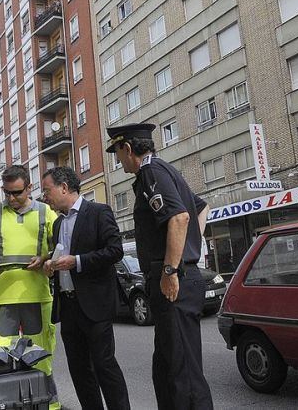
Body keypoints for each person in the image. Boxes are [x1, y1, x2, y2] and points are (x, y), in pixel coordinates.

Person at [106, 123, 214, 410]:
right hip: (174, 278)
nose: (118, 160)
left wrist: (171, 269)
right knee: (166, 369)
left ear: (127, 148)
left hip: (173, 281)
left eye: (117, 152)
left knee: (183, 375)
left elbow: (179, 218)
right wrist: (189, 244)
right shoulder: (164, 170)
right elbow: (201, 208)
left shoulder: (151, 171)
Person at [40, 167, 130, 410]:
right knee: (79, 370)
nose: (44, 196)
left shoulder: (99, 212)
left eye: (47, 191)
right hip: (69, 306)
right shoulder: (58, 224)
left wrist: (77, 261)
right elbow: (62, 253)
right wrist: (50, 261)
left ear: (64, 188)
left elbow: (115, 251)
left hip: (95, 305)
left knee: (104, 366)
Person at [0, 165, 59, 409]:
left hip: (38, 296)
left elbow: (61, 248)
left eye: (17, 192)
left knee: (41, 354)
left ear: (29, 187)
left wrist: (45, 260)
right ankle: (6, 403)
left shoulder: (47, 213)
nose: (11, 198)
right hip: (1, 299)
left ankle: (47, 404)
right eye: (7, 193)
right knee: (1, 355)